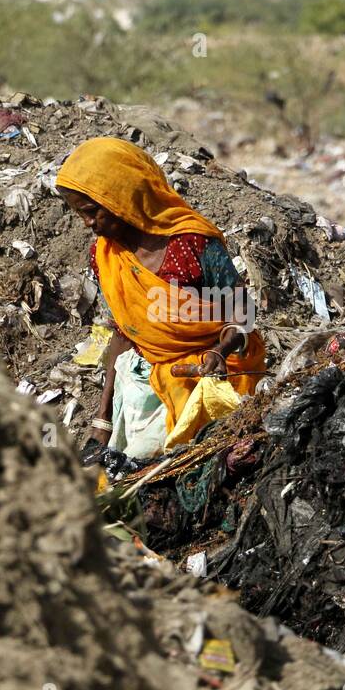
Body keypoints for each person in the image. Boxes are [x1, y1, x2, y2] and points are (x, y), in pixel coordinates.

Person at [57, 137, 266, 461]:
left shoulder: (192, 245)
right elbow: (125, 333)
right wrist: (102, 422)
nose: (88, 223)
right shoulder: (105, 257)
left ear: (121, 196)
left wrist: (220, 351)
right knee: (125, 466)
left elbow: (241, 314)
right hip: (153, 380)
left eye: (92, 211)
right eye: (80, 214)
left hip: (217, 376)